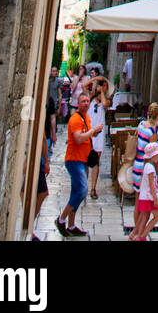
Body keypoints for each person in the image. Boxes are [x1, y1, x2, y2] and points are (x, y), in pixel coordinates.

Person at [55, 91, 104, 238]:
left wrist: (95, 132)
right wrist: (92, 131)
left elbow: (87, 134)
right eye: (83, 101)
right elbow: (78, 138)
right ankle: (61, 219)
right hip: (74, 160)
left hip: (82, 159)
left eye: (88, 101)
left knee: (75, 192)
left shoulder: (86, 117)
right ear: (78, 103)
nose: (86, 103)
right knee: (82, 190)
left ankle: (71, 225)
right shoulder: (75, 119)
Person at [32, 95, 56, 240]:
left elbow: (52, 119)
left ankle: (28, 226)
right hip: (34, 156)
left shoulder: (47, 101)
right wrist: (46, 162)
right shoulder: (38, 106)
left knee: (40, 192)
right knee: (40, 192)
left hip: (35, 153)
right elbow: (40, 137)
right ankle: (27, 225)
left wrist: (52, 135)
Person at [131, 142, 158, 241]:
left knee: (144, 217)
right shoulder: (150, 168)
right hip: (149, 197)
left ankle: (137, 236)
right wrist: (155, 198)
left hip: (144, 196)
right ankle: (142, 236)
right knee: (157, 217)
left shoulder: (146, 166)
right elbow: (151, 185)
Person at [87, 76, 112, 199]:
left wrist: (102, 92)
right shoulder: (90, 98)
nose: (104, 88)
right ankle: (84, 187)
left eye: (105, 86)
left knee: (96, 160)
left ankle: (93, 188)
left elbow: (105, 104)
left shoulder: (106, 100)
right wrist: (96, 79)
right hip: (88, 132)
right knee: (85, 160)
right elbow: (83, 86)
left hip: (99, 134)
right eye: (103, 85)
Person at [132, 103, 158, 193]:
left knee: (138, 197)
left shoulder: (141, 124)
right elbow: (154, 155)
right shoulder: (152, 131)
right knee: (148, 199)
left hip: (137, 163)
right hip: (145, 166)